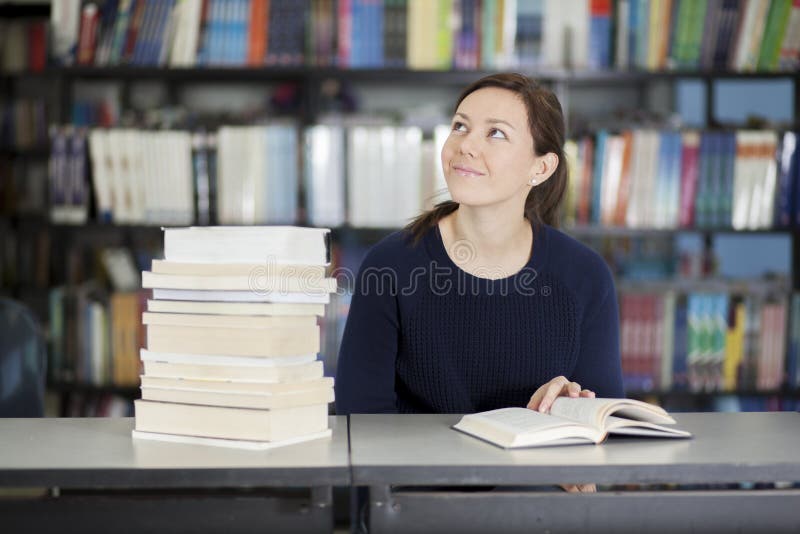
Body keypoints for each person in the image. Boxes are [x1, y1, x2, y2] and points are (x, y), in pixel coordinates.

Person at [334, 73, 624, 493]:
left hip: (537, 510)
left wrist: (572, 411)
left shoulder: (584, 275)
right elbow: (360, 427)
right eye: (460, 126)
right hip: (420, 506)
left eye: (496, 134)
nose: (466, 145)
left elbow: (601, 443)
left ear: (540, 167)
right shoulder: (392, 266)